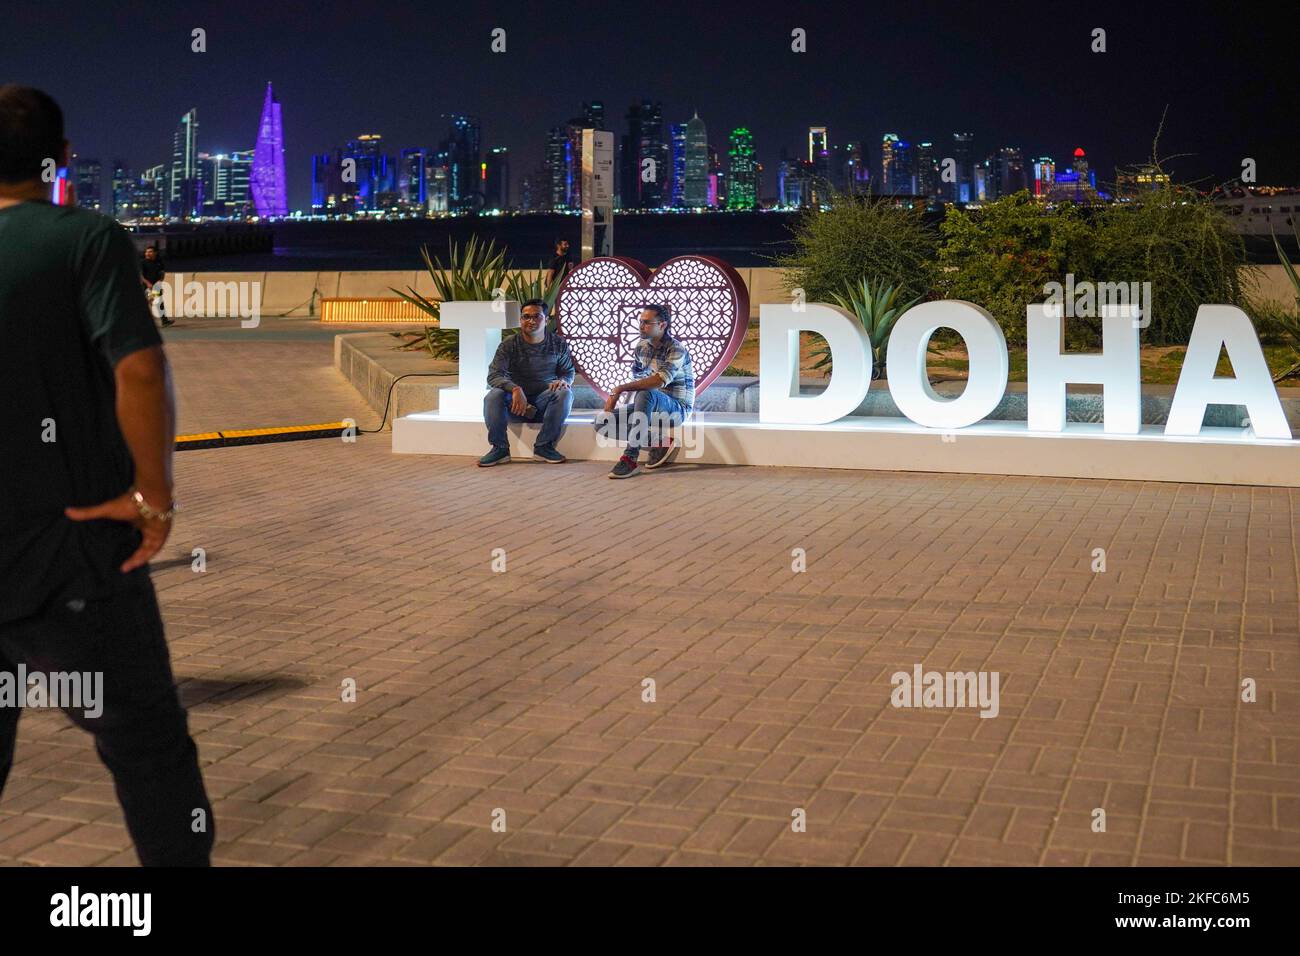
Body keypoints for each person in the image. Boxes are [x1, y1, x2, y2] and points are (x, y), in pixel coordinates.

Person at [0, 85, 214, 866]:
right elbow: (141, 371)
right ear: (61, 159)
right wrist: (153, 500)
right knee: (148, 747)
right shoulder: (87, 240)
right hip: (75, 546)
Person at [599, 303, 694, 479]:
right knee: (603, 421)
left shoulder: (676, 349)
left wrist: (619, 389)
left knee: (647, 392)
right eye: (641, 321)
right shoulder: (641, 347)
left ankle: (630, 459)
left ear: (663, 325)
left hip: (676, 409)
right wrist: (621, 405)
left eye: (647, 322)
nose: (641, 326)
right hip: (649, 404)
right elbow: (638, 381)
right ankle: (661, 443)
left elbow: (658, 381)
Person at [479, 298, 575, 465]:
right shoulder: (509, 344)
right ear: (520, 320)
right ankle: (499, 449)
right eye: (526, 317)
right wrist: (515, 389)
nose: (531, 321)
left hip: (544, 402)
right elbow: (493, 375)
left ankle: (544, 447)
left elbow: (568, 372)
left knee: (565, 393)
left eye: (537, 316)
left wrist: (563, 381)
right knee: (493, 396)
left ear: (547, 320)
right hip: (515, 405)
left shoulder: (557, 343)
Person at [140, 245, 173, 327]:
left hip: (156, 286)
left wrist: (159, 281)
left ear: (155, 253)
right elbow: (141, 275)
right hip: (147, 287)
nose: (147, 253)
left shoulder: (159, 262)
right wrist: (147, 283)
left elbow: (162, 273)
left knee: (159, 302)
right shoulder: (143, 262)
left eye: (150, 252)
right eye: (146, 252)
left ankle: (164, 321)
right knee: (148, 302)